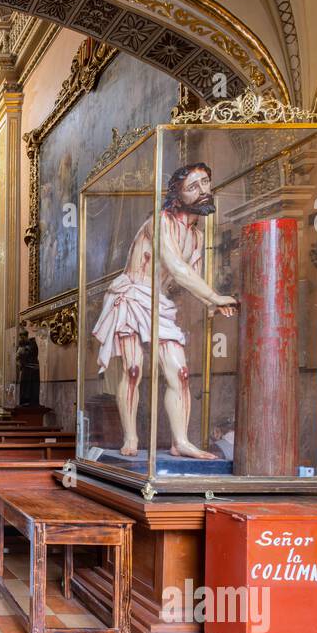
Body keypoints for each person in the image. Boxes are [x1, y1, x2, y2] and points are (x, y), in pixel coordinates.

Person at [91, 162, 238, 459]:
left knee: (180, 373)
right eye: (193, 187)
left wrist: (210, 303)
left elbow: (189, 277)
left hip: (157, 301)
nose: (203, 191)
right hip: (132, 294)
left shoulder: (196, 237)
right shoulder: (161, 222)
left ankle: (180, 441)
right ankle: (130, 436)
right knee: (133, 369)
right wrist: (213, 295)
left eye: (205, 183)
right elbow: (176, 267)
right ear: (178, 194)